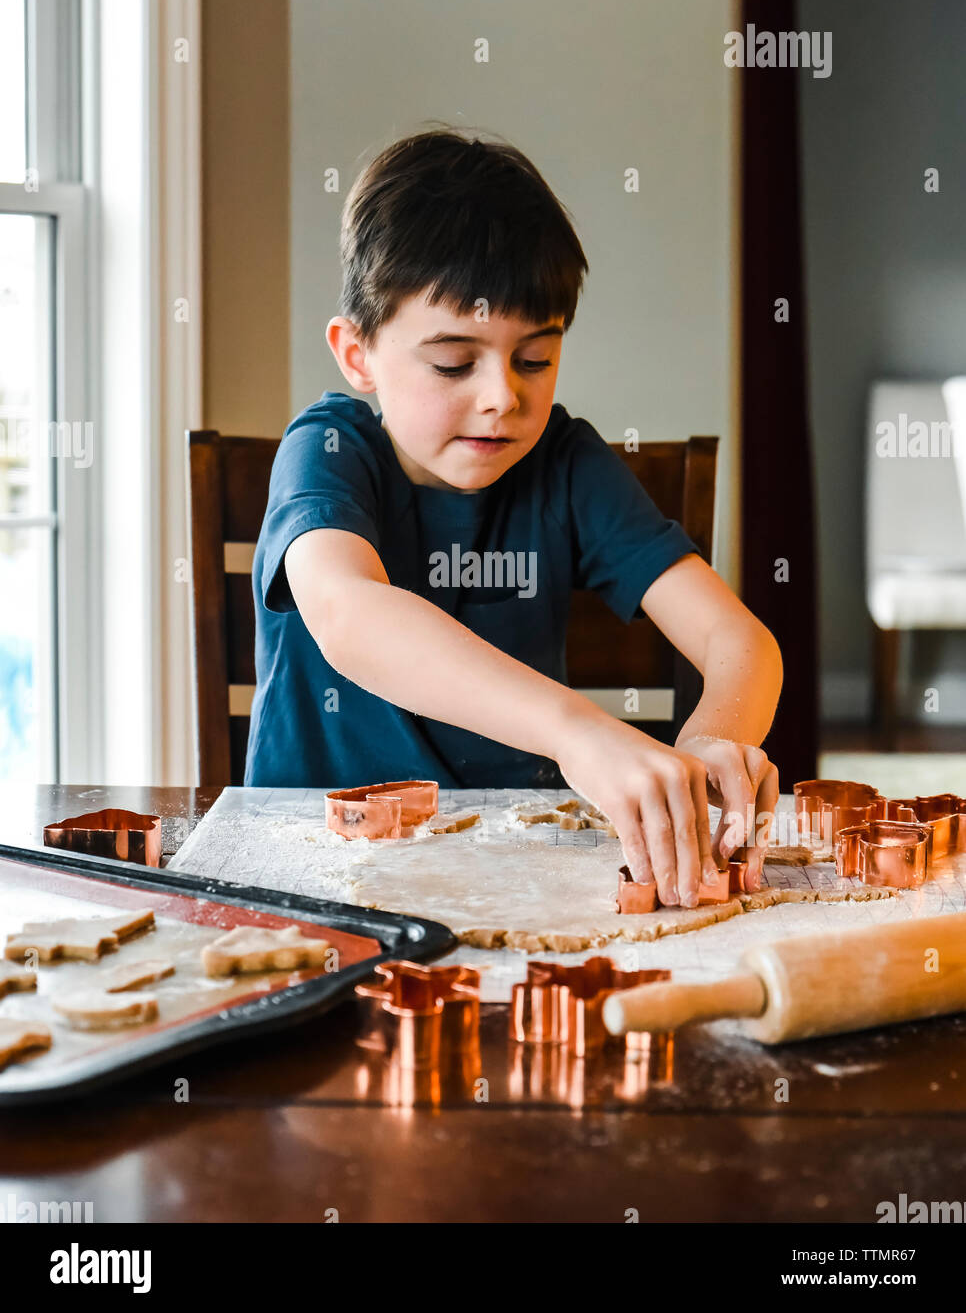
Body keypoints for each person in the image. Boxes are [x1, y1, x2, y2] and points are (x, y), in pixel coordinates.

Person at [246, 125, 782, 908]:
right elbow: (347, 612)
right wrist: (578, 730)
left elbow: (739, 640)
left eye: (534, 358)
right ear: (357, 354)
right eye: (454, 362)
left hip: (519, 867)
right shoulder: (327, 449)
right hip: (314, 872)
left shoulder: (566, 464)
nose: (504, 396)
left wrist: (716, 735)